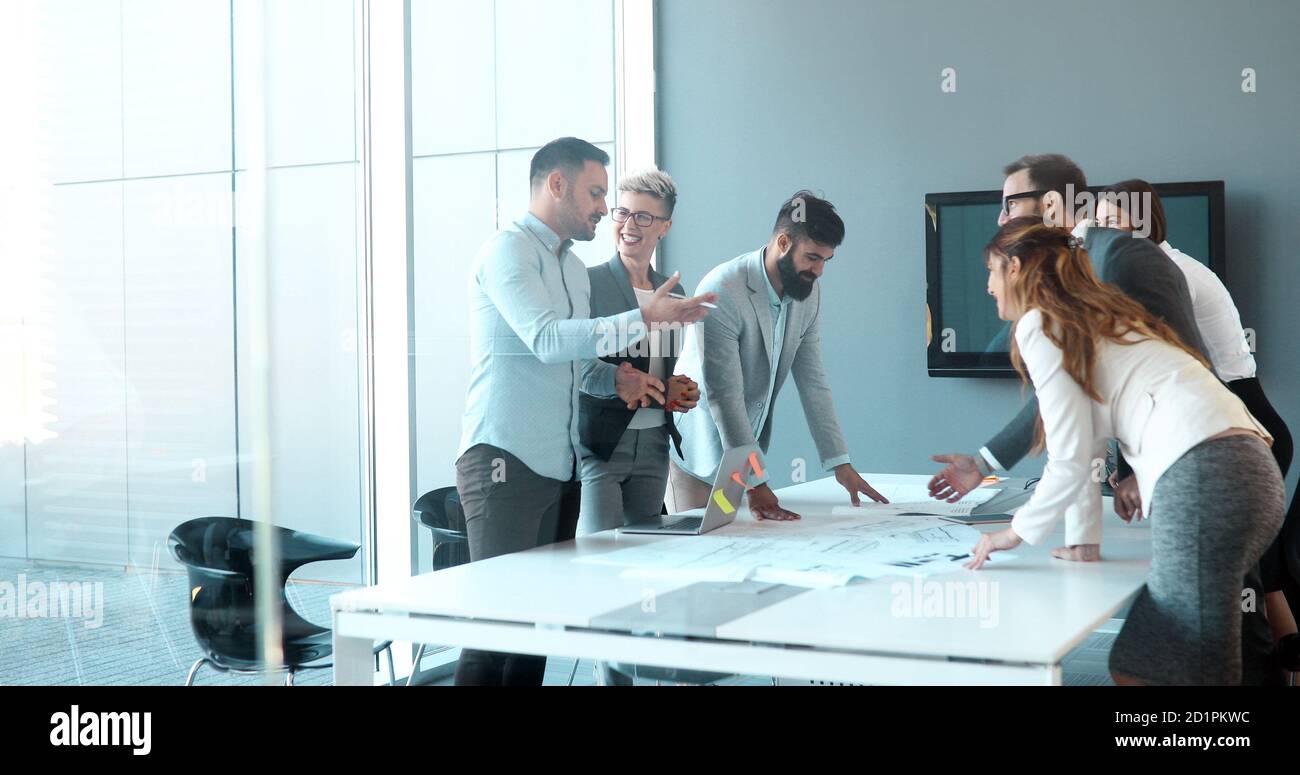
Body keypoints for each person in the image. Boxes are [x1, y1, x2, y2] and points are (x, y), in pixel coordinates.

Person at [964, 218, 1283, 685]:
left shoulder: (1040, 323)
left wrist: (1015, 532)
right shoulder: (1095, 318)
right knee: (1137, 662)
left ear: (1014, 268)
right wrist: (1083, 541)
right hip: (1245, 474)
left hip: (1207, 482)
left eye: (991, 271)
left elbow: (1071, 455)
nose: (989, 287)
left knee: (1201, 671)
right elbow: (1086, 442)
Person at [454, 137, 716, 686]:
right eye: (599, 194)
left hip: (561, 465)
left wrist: (622, 377)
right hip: (504, 460)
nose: (605, 208)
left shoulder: (569, 268)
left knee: (531, 638)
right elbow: (547, 340)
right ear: (557, 185)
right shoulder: (508, 251)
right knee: (490, 635)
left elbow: (577, 366)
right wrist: (644, 318)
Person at [1097, 179, 1298, 651]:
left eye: (1111, 221)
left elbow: (1155, 374)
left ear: (1142, 223)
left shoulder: (1164, 274)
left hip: (1240, 428)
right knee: (1260, 575)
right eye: (1097, 222)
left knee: (1234, 583)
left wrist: (1134, 468)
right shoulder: (1156, 267)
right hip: (1239, 422)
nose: (1100, 232)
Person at [668, 191, 887, 519]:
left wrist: (840, 463)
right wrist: (757, 483)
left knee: (734, 544)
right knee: (700, 546)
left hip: (742, 451)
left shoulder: (807, 293)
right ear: (783, 242)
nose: (819, 271)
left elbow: (814, 382)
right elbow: (724, 396)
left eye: (826, 260)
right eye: (813, 257)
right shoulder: (722, 289)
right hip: (699, 448)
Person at [578, 168, 700, 535]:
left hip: (654, 446)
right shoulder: (588, 283)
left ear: (664, 227)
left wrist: (675, 389)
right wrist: (620, 382)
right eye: (623, 212)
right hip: (601, 446)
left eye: (644, 216)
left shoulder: (674, 292)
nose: (629, 224)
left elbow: (662, 371)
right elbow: (577, 366)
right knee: (599, 555)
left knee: (648, 551)